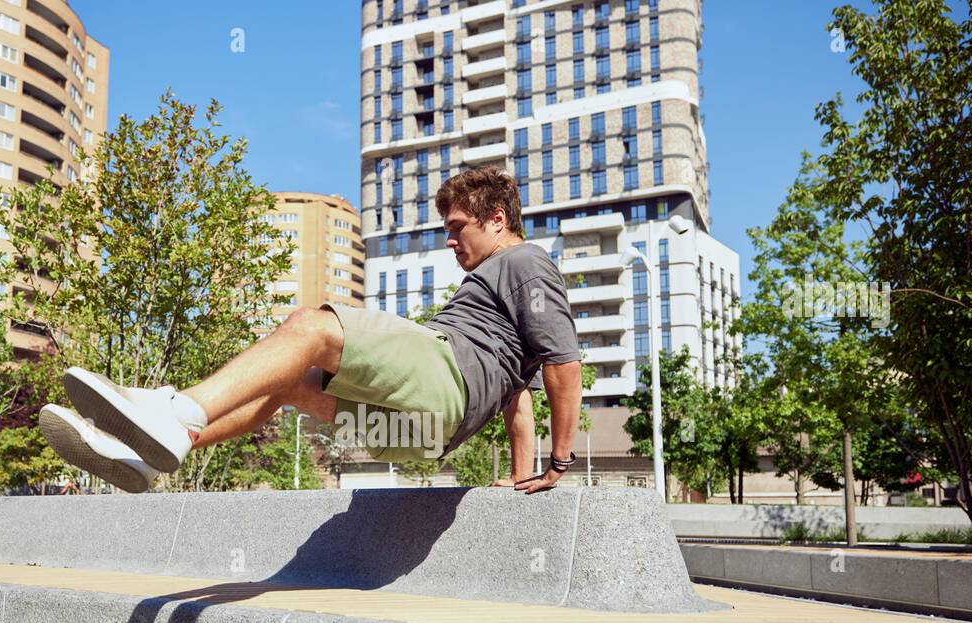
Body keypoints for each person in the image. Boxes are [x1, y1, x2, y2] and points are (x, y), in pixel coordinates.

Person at [39, 167, 582, 494]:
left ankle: (175, 412)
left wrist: (559, 462)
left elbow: (564, 362)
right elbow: (519, 399)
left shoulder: (524, 262)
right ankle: (155, 451)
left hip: (445, 379)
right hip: (424, 438)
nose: (449, 241)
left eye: (457, 228)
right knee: (290, 381)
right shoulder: (498, 297)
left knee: (311, 328)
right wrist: (521, 476)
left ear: (496, 220)